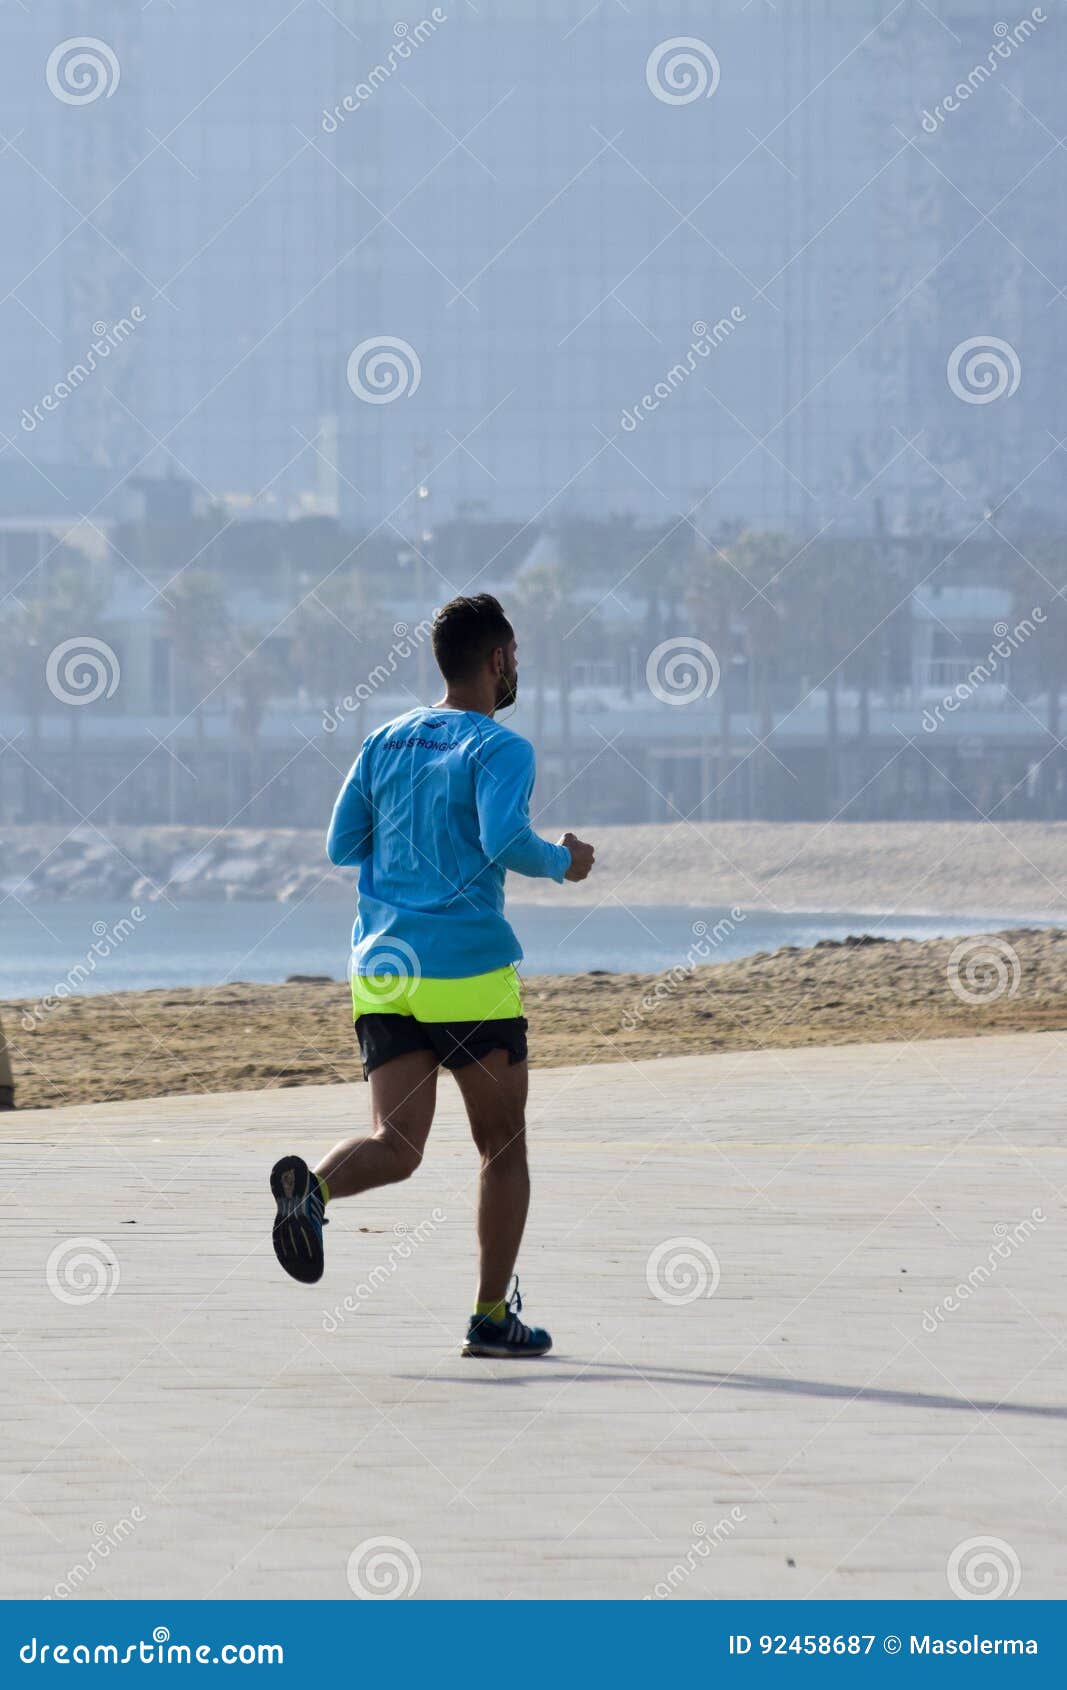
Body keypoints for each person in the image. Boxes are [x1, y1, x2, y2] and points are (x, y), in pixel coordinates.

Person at [270, 593, 595, 1356]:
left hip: (382, 967)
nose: (516, 667)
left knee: (397, 1143)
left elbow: (342, 844)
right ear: (497, 660)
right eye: (513, 655)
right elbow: (503, 836)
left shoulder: (383, 739)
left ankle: (311, 1192)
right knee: (502, 1150)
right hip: (466, 970)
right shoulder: (500, 747)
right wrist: (563, 864)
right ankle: (489, 1318)